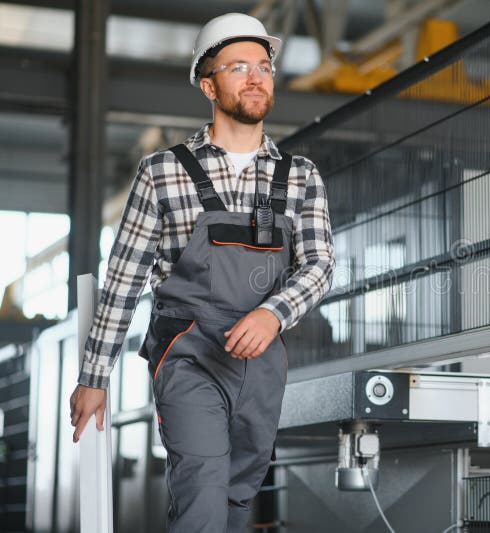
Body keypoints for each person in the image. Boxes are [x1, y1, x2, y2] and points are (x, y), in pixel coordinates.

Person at [68, 12, 335, 532]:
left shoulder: (300, 176)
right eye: (239, 66)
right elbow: (123, 279)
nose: (257, 76)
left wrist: (272, 314)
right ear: (209, 85)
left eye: (265, 66)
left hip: (261, 364)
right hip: (188, 355)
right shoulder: (162, 172)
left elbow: (321, 264)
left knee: (238, 500)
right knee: (204, 490)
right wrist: (94, 377)